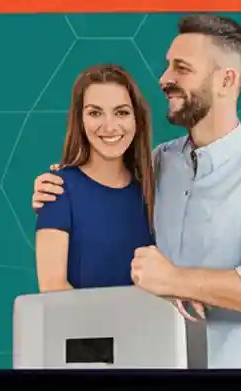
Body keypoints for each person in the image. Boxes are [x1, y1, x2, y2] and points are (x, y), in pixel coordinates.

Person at [31, 14, 241, 369]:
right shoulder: (156, 165)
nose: (164, 79)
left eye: (182, 68)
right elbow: (102, 193)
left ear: (226, 80)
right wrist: (59, 188)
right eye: (168, 66)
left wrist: (178, 280)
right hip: (141, 386)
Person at [33, 64, 156, 292]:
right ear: (80, 120)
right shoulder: (57, 190)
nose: (109, 126)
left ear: (136, 119)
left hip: (153, 325)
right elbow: (52, 286)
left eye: (122, 112)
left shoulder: (152, 190)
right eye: (95, 112)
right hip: (81, 327)